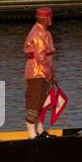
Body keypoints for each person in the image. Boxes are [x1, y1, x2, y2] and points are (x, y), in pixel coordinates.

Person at [23, 8, 55, 139]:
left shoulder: (42, 31)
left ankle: (40, 131)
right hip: (37, 72)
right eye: (50, 17)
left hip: (42, 70)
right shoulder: (39, 33)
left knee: (43, 101)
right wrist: (48, 72)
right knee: (35, 101)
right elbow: (40, 56)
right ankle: (32, 134)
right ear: (45, 18)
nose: (51, 20)